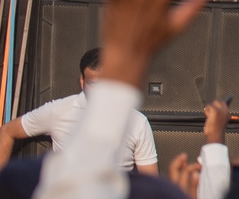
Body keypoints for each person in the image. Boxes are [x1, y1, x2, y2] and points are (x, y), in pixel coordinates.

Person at [0, 47, 158, 173]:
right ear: (82, 81)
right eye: (94, 84)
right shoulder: (58, 111)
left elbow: (150, 183)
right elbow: (8, 131)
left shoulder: (137, 122)